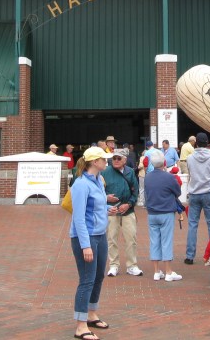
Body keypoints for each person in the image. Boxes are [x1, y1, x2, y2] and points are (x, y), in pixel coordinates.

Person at [69, 146, 113, 340]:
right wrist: (85, 245)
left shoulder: (98, 180)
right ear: (94, 162)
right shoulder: (81, 184)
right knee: (87, 279)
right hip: (85, 236)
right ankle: (80, 326)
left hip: (99, 234)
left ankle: (91, 313)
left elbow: (95, 206)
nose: (106, 162)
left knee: (98, 276)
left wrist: (108, 208)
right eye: (104, 159)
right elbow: (79, 217)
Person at [102, 148, 142, 278]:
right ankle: (113, 265)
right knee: (111, 238)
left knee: (131, 238)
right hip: (112, 211)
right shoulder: (105, 172)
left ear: (125, 160)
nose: (116, 160)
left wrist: (129, 204)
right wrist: (106, 198)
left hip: (128, 210)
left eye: (119, 158)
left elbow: (135, 192)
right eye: (114, 158)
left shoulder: (130, 172)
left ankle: (132, 265)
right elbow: (98, 191)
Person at [143, 151, 183, 282]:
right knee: (166, 241)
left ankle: (156, 271)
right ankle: (168, 272)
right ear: (164, 162)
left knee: (154, 241)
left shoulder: (147, 177)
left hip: (152, 213)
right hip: (166, 212)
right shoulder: (169, 177)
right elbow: (178, 192)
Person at [184, 132, 210, 265]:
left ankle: (190, 256)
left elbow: (190, 172)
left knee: (192, 225)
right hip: (208, 193)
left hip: (194, 193)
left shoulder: (190, 158)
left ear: (196, 143)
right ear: (207, 144)